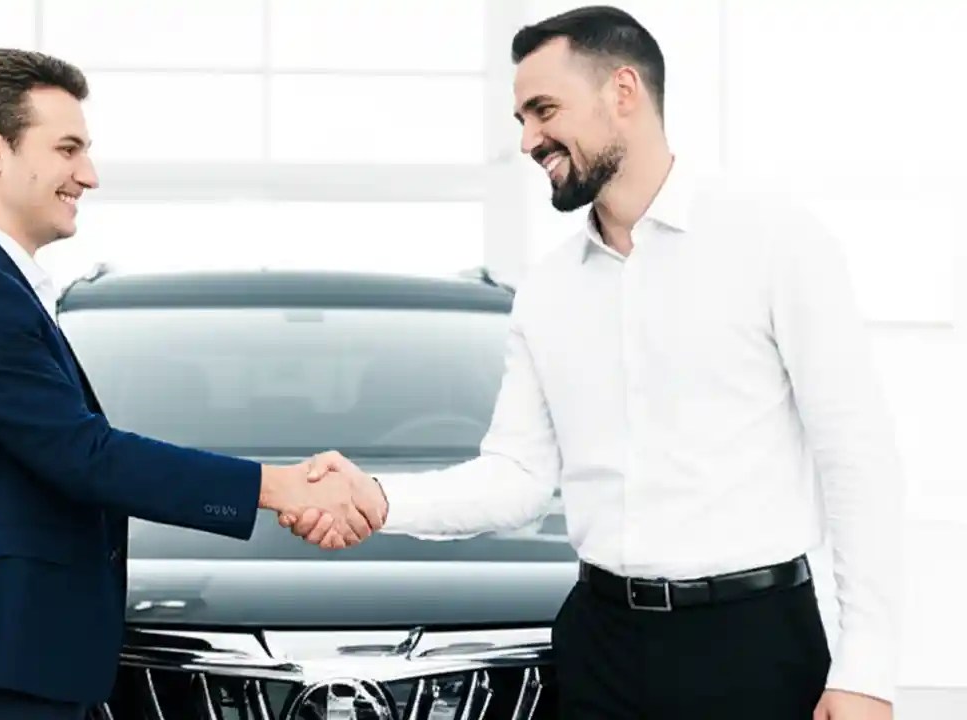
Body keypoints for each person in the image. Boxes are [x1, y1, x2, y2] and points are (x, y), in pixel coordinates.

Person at [281, 6, 902, 719]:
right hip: (598, 645)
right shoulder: (548, 288)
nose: (527, 140)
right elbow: (517, 477)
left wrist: (867, 669)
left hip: (751, 646)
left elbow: (856, 454)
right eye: (519, 118)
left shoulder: (774, 240)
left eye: (543, 111)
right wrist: (380, 501)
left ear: (624, 92)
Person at [0, 49, 384, 719]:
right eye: (67, 149)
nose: (88, 174)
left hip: (15, 664)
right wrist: (276, 486)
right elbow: (85, 456)